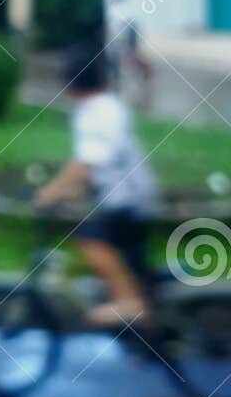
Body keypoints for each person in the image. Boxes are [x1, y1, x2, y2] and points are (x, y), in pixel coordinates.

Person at [35, 43, 159, 327]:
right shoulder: (107, 106)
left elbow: (86, 163)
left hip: (127, 199)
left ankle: (129, 304)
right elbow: (95, 168)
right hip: (133, 194)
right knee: (136, 267)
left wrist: (49, 193)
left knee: (91, 239)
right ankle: (147, 327)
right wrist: (74, 193)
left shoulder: (94, 114)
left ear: (69, 85)